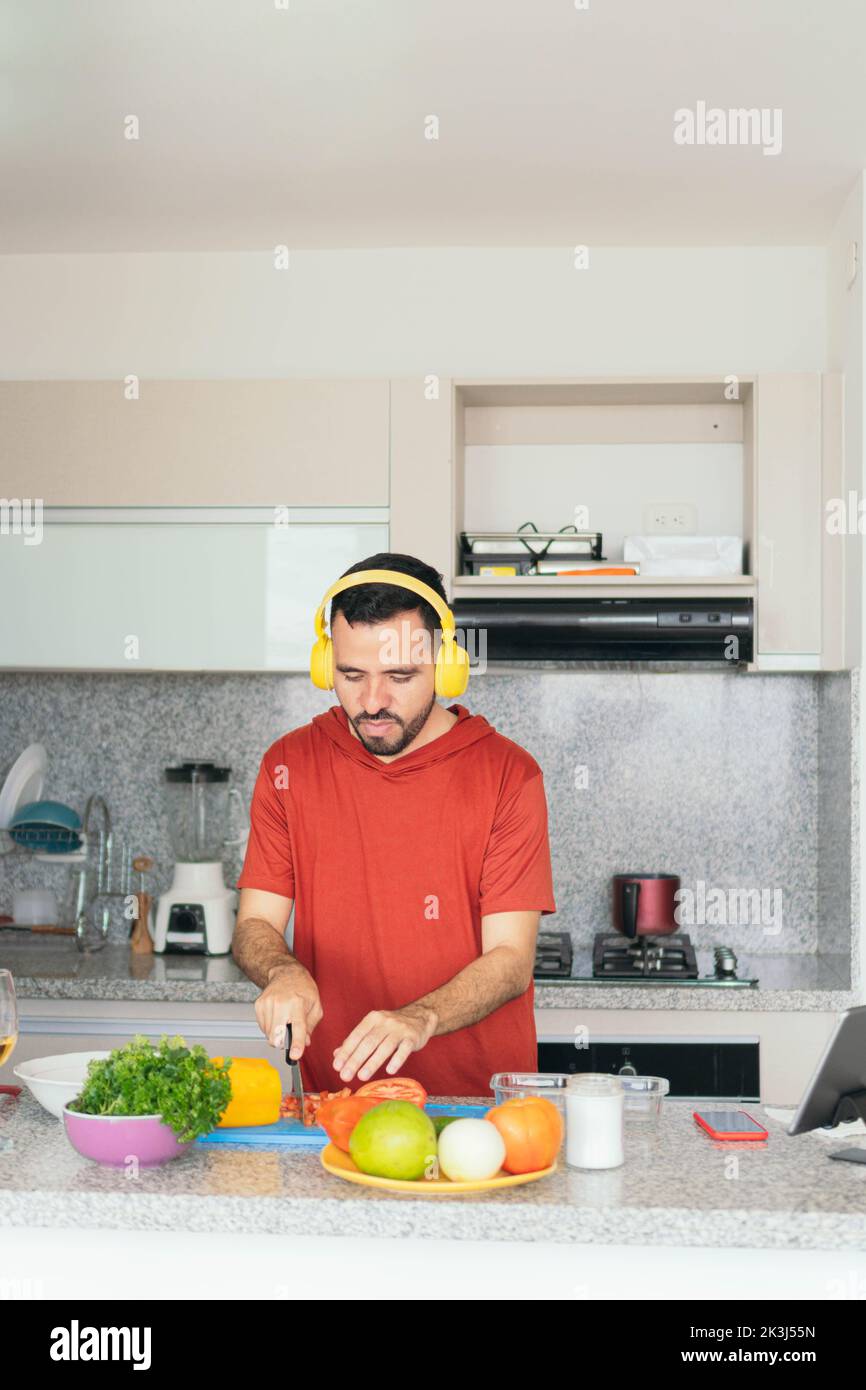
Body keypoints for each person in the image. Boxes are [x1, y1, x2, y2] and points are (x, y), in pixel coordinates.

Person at [232, 552, 556, 1096]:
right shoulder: (288, 765)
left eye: (400, 676)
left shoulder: (508, 775)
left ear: (445, 665)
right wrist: (282, 972)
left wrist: (419, 1017)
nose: (373, 702)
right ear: (324, 665)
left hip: (475, 1112)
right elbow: (254, 925)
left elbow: (511, 961)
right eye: (352, 675)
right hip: (332, 1108)